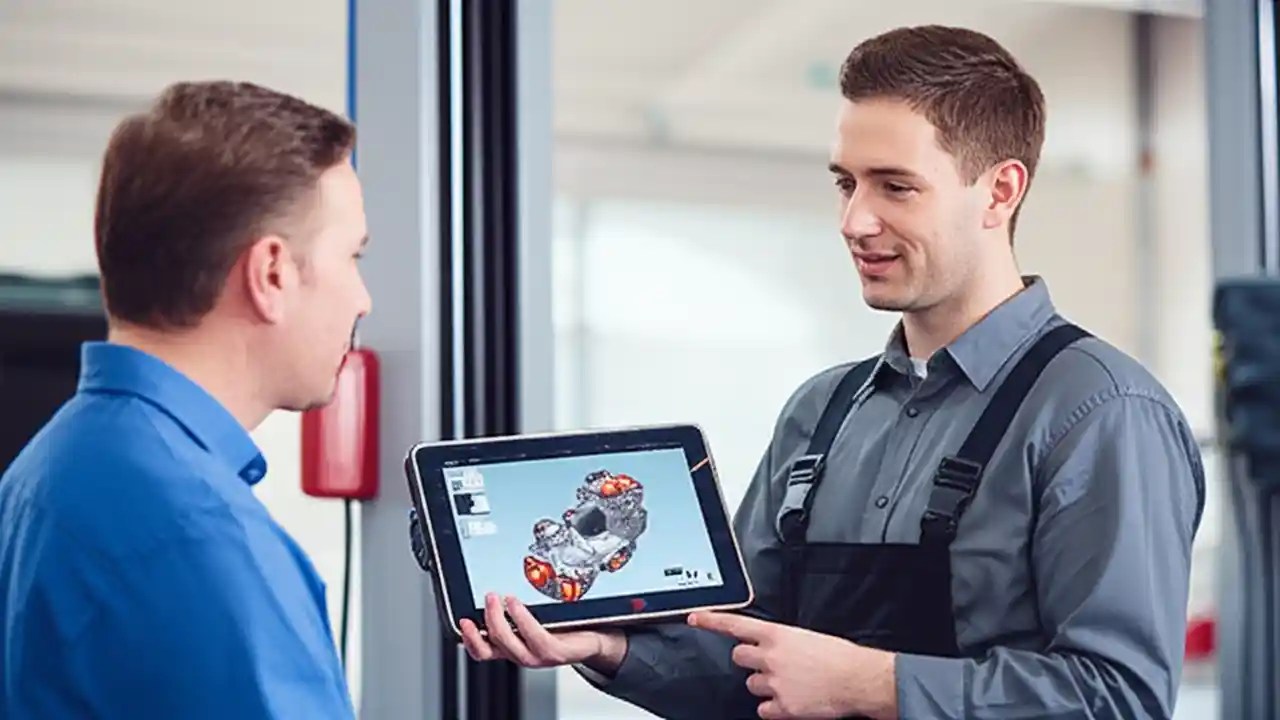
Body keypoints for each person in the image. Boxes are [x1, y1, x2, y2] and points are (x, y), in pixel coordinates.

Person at [458, 24, 1205, 720]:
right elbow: (749, 655)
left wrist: (873, 683)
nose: (854, 221)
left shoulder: (1101, 412)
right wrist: (604, 645)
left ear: (1000, 191)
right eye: (847, 184)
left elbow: (1121, 697)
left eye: (895, 186)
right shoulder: (821, 410)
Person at [0, 81, 371, 718]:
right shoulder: (208, 540)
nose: (363, 299)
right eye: (353, 256)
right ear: (272, 274)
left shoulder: (46, 468)